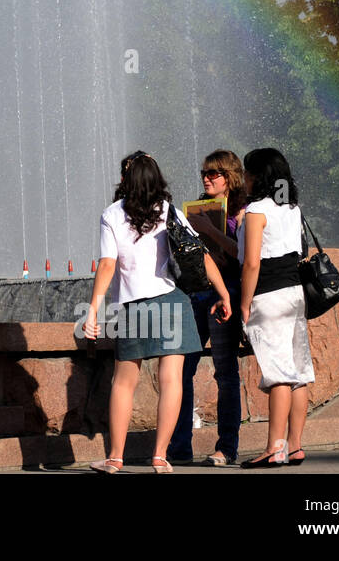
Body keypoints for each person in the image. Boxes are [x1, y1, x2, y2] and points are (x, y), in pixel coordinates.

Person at [85, 151, 231, 473]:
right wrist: (223, 293)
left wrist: (93, 311)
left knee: (123, 383)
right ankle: (161, 456)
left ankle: (115, 458)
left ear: (126, 181)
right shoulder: (168, 211)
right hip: (170, 301)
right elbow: (199, 254)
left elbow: (108, 265)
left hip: (131, 306)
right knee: (172, 380)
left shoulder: (111, 214)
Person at [169, 149, 247, 466]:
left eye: (213, 173)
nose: (206, 178)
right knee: (182, 369)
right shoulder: (200, 206)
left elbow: (241, 254)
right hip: (197, 293)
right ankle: (179, 446)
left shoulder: (243, 211)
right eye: (204, 172)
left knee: (225, 373)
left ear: (229, 177)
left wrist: (210, 231)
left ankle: (226, 447)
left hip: (225, 292)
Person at [238, 147, 314, 468]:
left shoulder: (257, 211)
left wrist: (244, 304)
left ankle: (274, 447)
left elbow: (252, 263)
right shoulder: (292, 208)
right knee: (298, 373)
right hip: (295, 293)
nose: (244, 178)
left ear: (257, 176)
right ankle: (295, 445)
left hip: (268, 296)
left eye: (247, 172)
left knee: (278, 374)